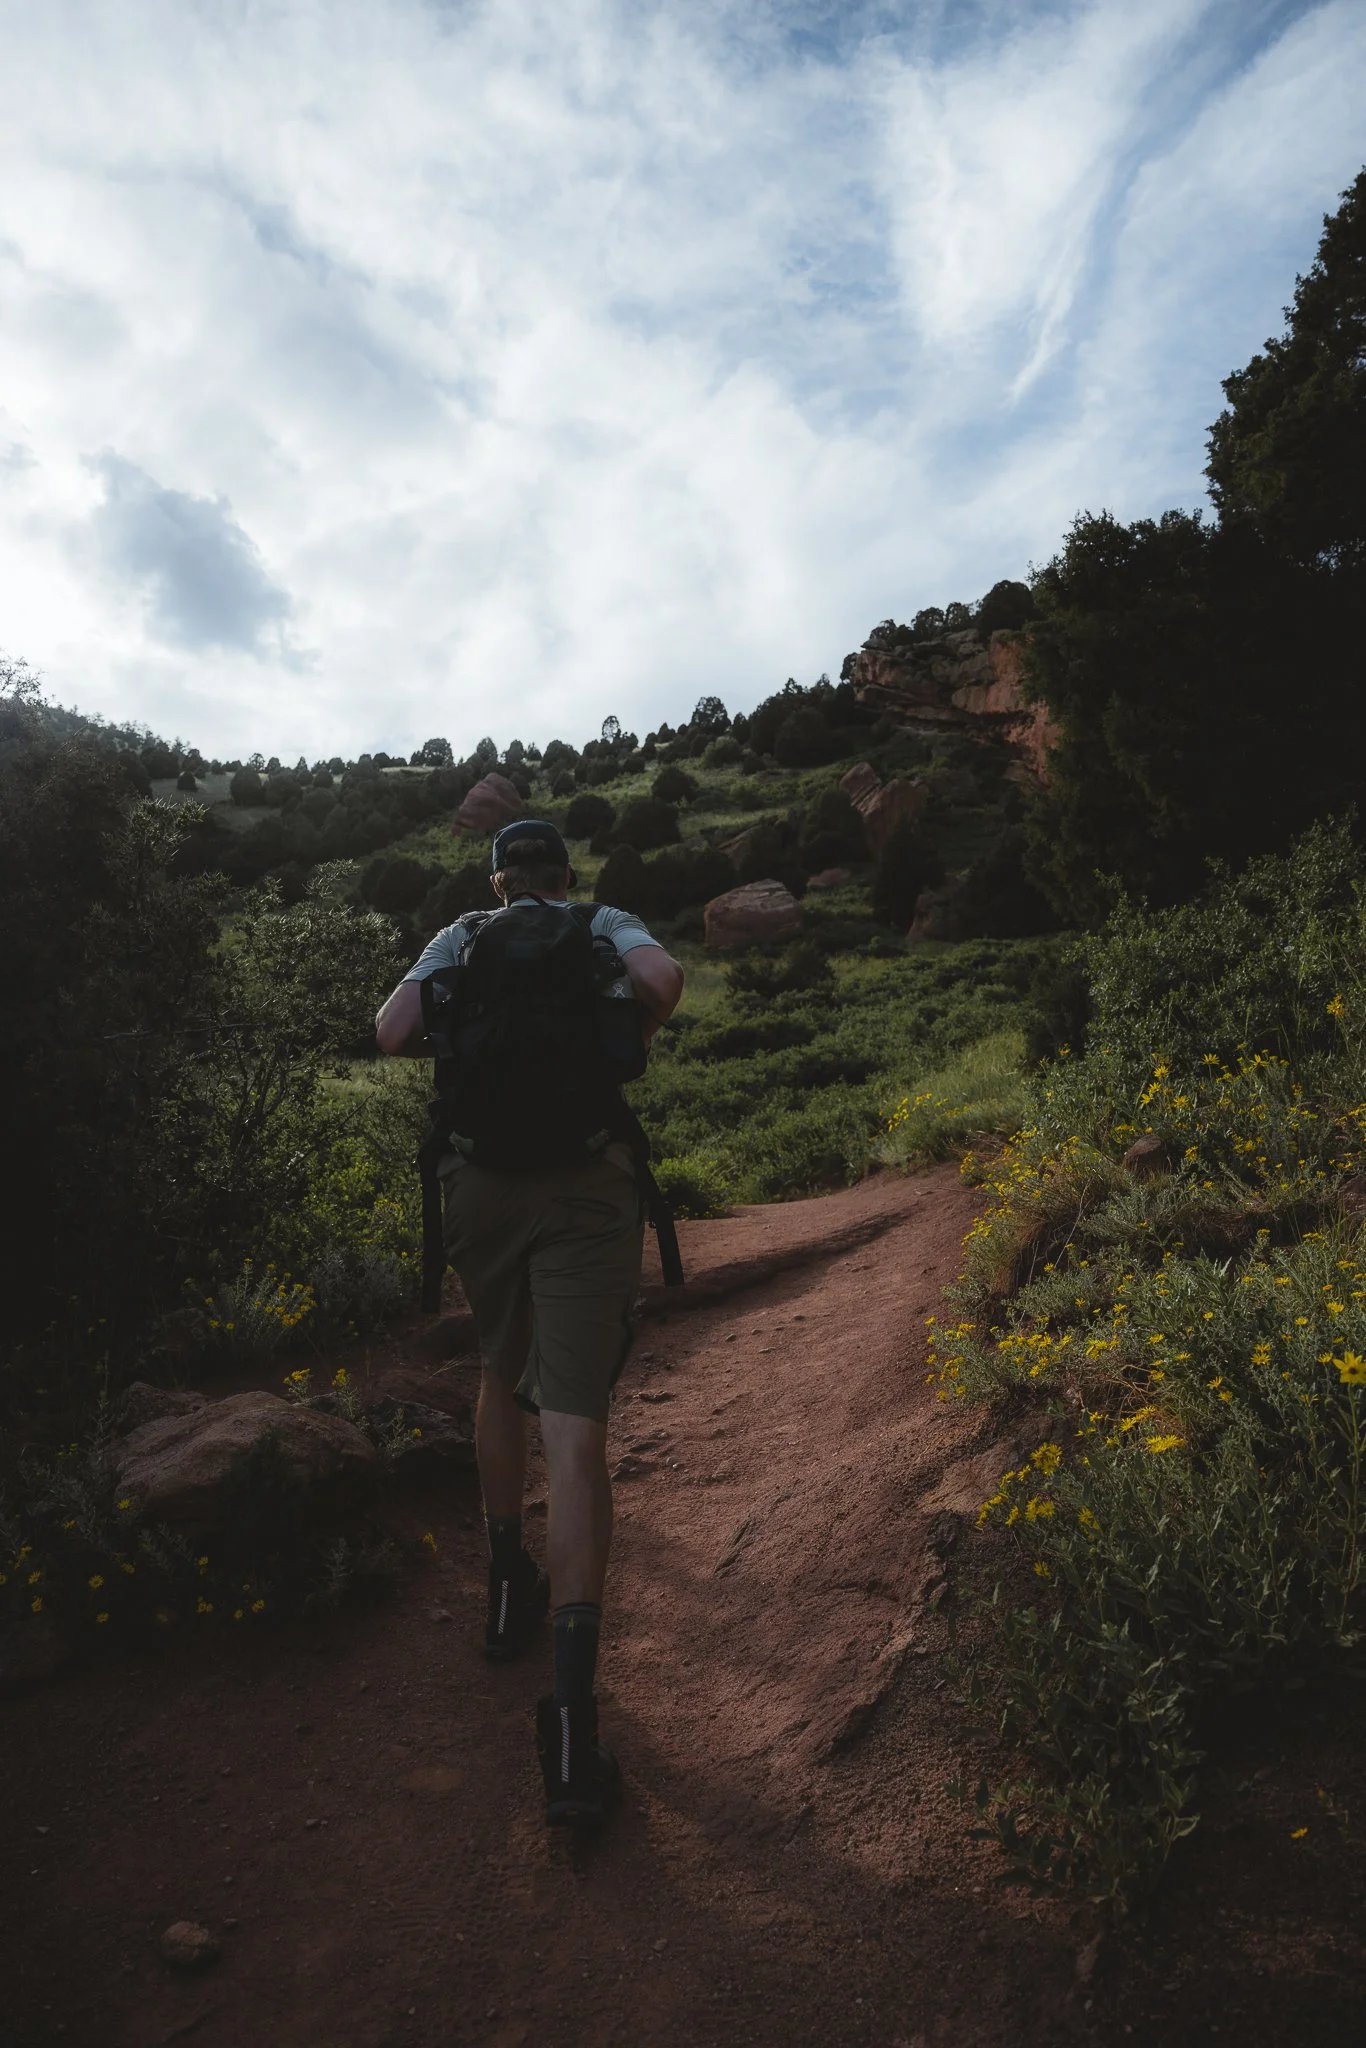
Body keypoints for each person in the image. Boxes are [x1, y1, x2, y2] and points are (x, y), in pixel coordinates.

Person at [374, 819, 684, 1824]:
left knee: (499, 1371)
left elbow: (391, 1030)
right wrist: (623, 1034)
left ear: (500, 879)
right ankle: (572, 1723)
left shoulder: (463, 932)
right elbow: (664, 980)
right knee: (575, 1427)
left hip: (480, 1189)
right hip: (588, 1185)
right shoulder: (601, 920)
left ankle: (507, 1584)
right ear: (564, 874)